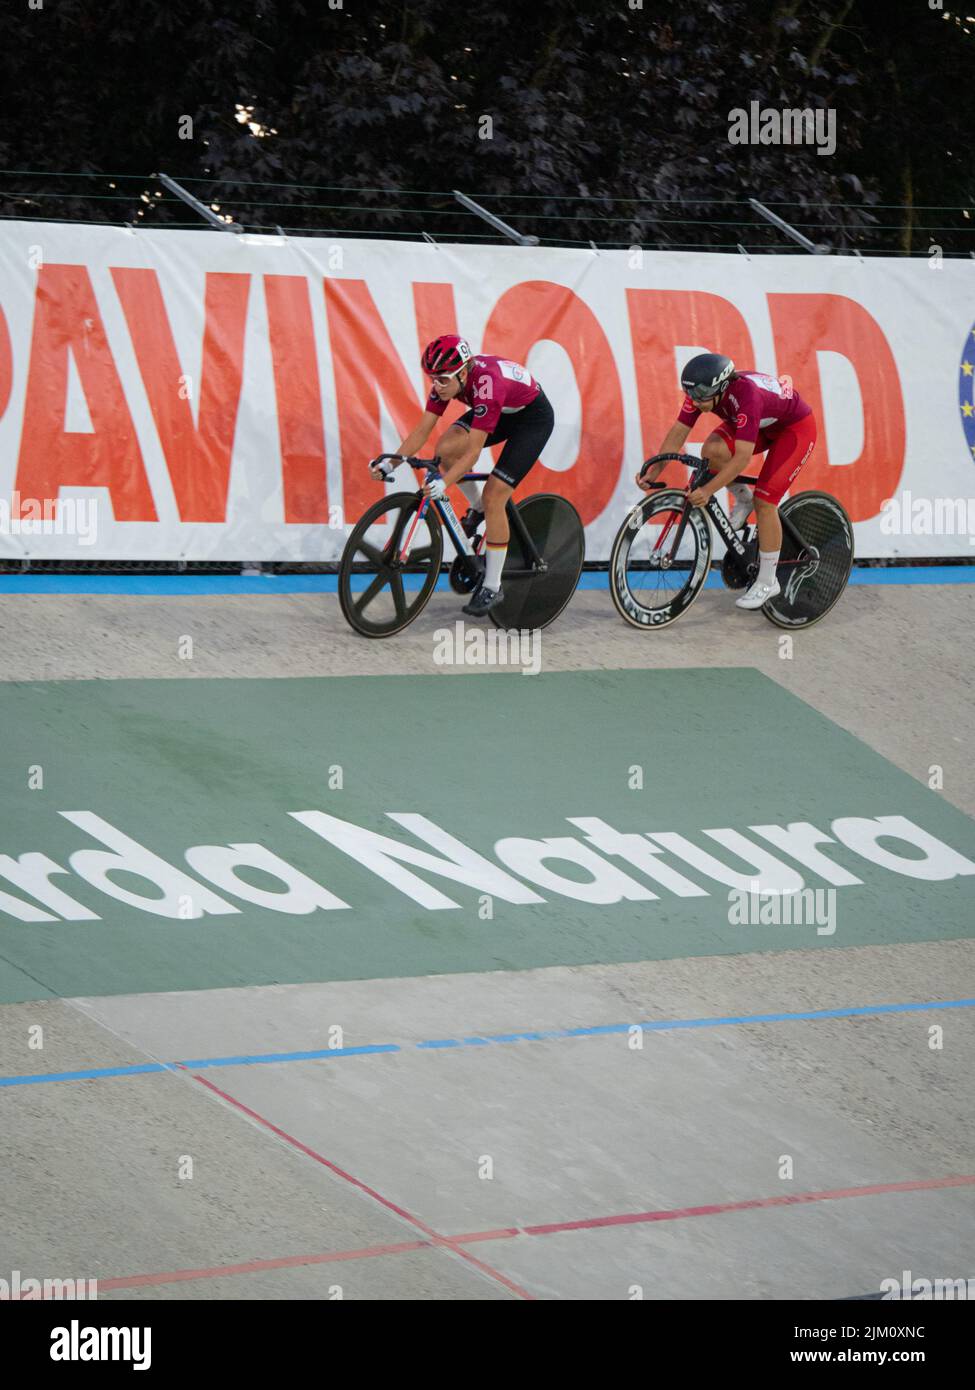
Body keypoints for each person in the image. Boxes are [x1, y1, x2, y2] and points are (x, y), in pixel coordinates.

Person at [371, 335, 554, 616]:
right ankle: (476, 507)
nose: (436, 385)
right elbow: (421, 432)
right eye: (432, 378)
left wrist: (444, 483)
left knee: (495, 495)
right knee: (444, 450)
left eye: (443, 379)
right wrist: (390, 464)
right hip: (502, 409)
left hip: (532, 419)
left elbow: (472, 454)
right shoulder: (447, 382)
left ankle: (492, 586)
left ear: (463, 372)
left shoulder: (486, 385)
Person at [637, 352, 817, 608]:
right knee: (712, 451)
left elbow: (742, 458)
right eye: (692, 397)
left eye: (701, 398)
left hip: (794, 429)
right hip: (763, 424)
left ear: (721, 387)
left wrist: (709, 490)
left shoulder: (747, 397)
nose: (695, 403)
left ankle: (767, 582)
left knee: (765, 500)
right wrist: (654, 471)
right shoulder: (700, 394)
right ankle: (744, 501)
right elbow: (678, 432)